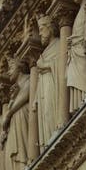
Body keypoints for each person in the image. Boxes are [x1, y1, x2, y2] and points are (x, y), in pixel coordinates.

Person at [3, 57, 31, 170]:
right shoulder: (15, 89)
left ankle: (26, 162)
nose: (9, 72)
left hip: (24, 116)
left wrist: (9, 113)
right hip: (15, 124)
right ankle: (19, 169)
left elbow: (27, 92)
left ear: (19, 68)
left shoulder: (28, 78)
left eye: (11, 68)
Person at [35, 16, 60, 150]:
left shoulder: (59, 44)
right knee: (45, 114)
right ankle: (47, 142)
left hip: (52, 85)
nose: (39, 33)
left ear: (50, 28)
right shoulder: (44, 52)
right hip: (43, 88)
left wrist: (45, 66)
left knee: (51, 111)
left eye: (41, 29)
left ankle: (55, 132)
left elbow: (61, 66)